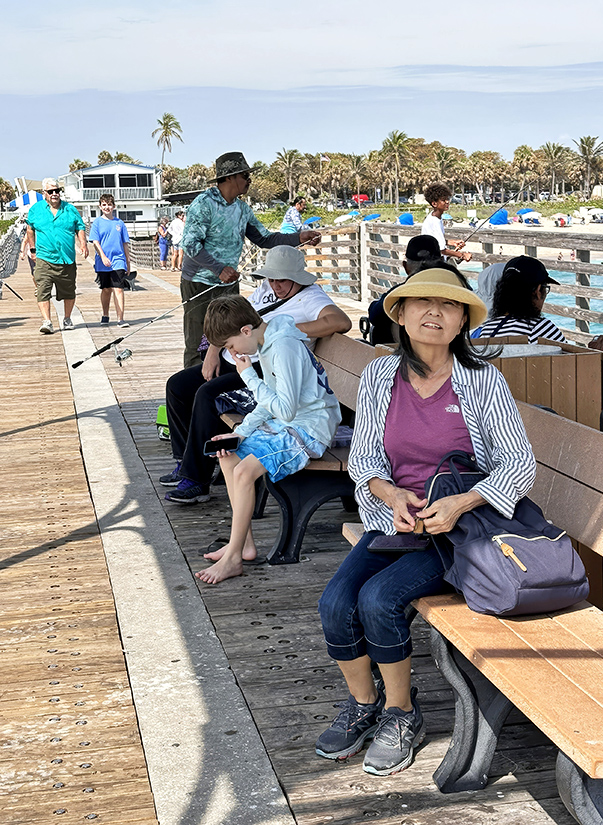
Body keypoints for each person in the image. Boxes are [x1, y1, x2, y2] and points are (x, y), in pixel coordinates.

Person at [315, 262, 536, 776]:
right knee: (334, 603)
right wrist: (389, 494)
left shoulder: (482, 381)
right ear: (402, 314)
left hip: (459, 531)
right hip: (394, 522)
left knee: (379, 598)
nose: (434, 313)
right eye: (422, 303)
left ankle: (401, 712)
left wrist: (461, 502)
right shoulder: (379, 375)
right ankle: (366, 704)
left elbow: (518, 463)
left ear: (462, 321)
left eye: (449, 305)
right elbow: (366, 455)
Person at [162, 245, 352, 504]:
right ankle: (186, 461)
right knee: (178, 385)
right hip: (238, 356)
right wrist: (214, 351)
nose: (275, 285)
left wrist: (279, 329)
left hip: (263, 368)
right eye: (271, 278)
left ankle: (196, 480)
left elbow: (341, 321)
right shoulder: (265, 290)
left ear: (297, 277)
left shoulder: (311, 297)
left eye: (282, 279)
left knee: (207, 394)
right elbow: (234, 320)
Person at [195, 295, 342, 583]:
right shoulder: (267, 341)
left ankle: (233, 558)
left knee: (244, 471)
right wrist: (241, 431)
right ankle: (243, 545)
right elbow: (273, 400)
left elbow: (285, 410)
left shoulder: (283, 347)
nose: (233, 353)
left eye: (231, 345)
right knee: (229, 455)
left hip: (310, 430)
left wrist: (249, 376)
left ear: (246, 331)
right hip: (289, 423)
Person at [180, 152, 321, 369]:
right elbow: (190, 246)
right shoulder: (203, 204)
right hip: (198, 283)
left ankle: (224, 389)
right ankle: (191, 386)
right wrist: (219, 269)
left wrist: (298, 237)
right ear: (229, 177)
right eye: (245, 175)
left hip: (227, 284)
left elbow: (265, 238)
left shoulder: (242, 209)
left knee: (232, 336)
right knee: (197, 342)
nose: (249, 181)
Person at [474, 255, 603, 351]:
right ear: (537, 291)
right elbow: (570, 373)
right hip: (534, 396)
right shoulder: (539, 329)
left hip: (504, 396)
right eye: (545, 289)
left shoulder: (488, 329)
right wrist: (595, 353)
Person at [25, 177, 88, 334]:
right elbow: (30, 229)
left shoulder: (70, 209)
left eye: (57, 190)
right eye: (51, 191)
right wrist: (32, 248)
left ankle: (67, 318)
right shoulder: (36, 209)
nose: (55, 194)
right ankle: (47, 321)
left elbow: (80, 226)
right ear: (44, 193)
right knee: (42, 289)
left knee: (69, 291)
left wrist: (83, 243)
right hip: (44, 258)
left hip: (66, 259)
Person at [365, 235, 443, 345]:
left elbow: (375, 315)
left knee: (380, 327)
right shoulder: (461, 290)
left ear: (405, 266)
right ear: (442, 262)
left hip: (404, 355)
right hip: (452, 352)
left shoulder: (398, 293)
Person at [88, 193, 131, 327]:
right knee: (106, 289)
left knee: (118, 288)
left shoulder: (120, 223)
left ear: (114, 206)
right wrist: (103, 256)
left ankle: (120, 318)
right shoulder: (97, 223)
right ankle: (105, 314)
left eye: (109, 205)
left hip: (118, 260)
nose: (107, 207)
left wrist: (128, 262)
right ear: (100, 206)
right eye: (104, 205)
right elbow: (95, 242)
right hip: (103, 262)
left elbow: (125, 243)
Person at [421, 183, 472, 265]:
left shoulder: (434, 217)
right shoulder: (434, 222)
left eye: (447, 199)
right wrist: (462, 255)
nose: (447, 202)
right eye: (443, 200)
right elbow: (441, 250)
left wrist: (451, 242)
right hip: (434, 264)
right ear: (434, 203)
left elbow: (435, 241)